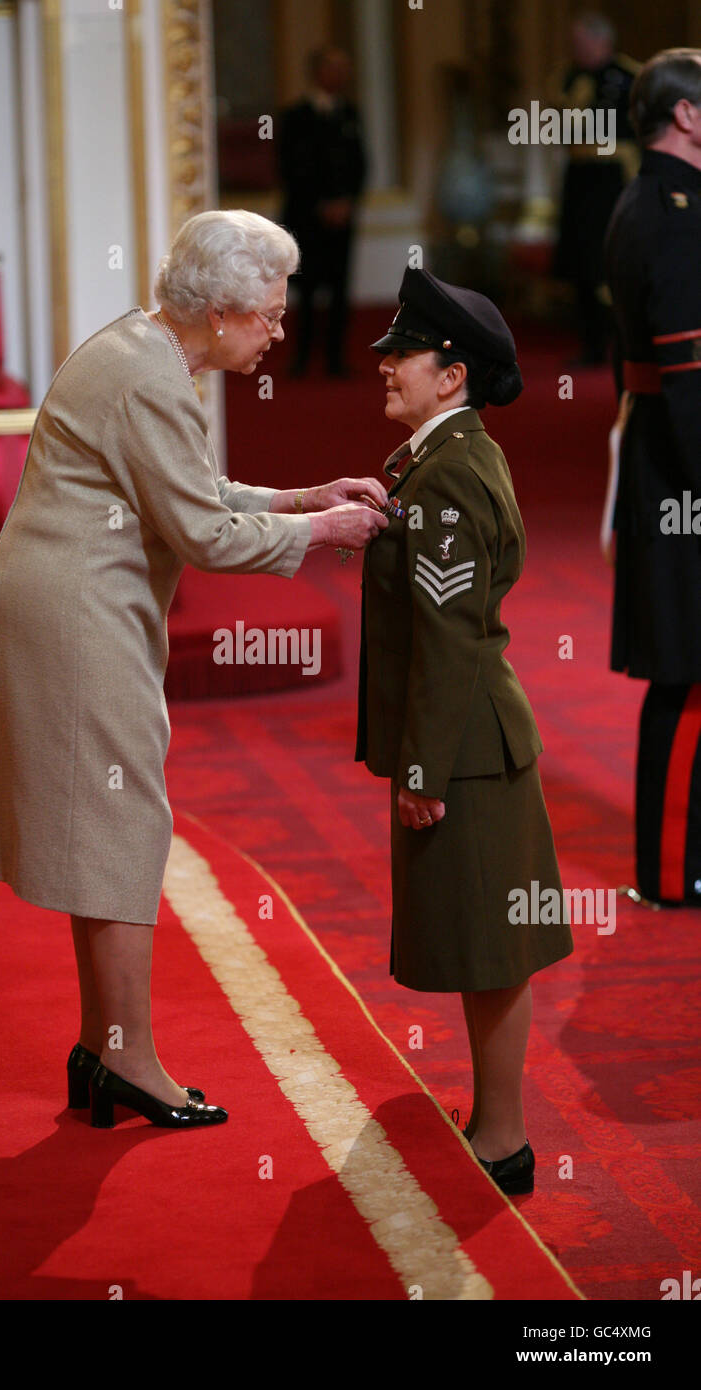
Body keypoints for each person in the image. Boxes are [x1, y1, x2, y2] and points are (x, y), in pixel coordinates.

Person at [0, 209, 388, 1131]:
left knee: (96, 824)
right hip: (76, 615)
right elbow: (203, 531)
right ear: (219, 311)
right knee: (120, 824)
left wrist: (303, 495)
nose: (277, 330)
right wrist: (321, 531)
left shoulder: (146, 351)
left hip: (67, 601)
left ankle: (104, 1047)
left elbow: (195, 487)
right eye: (267, 314)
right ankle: (128, 1058)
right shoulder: (150, 375)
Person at [356, 268, 574, 1195]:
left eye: (401, 355)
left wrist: (423, 771)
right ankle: (494, 1118)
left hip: (469, 747)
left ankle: (503, 1139)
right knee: (481, 939)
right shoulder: (440, 457)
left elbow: (446, 639)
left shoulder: (444, 476)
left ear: (452, 376)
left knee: (491, 949)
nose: (386, 369)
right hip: (473, 736)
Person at [602, 48, 701, 908]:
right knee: (686, 668)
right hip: (681, 470)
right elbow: (684, 373)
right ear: (687, 117)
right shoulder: (670, 212)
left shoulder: (661, 200)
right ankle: (671, 872)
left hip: (668, 459)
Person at [551, 12, 639, 365]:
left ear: (602, 40)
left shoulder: (631, 75)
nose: (576, 49)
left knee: (612, 258)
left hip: (614, 176)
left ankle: (625, 340)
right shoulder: (568, 77)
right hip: (581, 174)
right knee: (582, 260)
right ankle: (590, 343)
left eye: (582, 42)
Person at [277, 47, 367, 378]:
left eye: (345, 69)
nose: (341, 76)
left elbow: (360, 164)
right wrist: (320, 204)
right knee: (306, 287)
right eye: (333, 68)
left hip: (342, 218)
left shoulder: (351, 114)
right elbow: (290, 166)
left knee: (340, 287)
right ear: (316, 72)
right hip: (306, 217)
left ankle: (335, 359)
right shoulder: (295, 116)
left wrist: (347, 202)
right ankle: (301, 358)